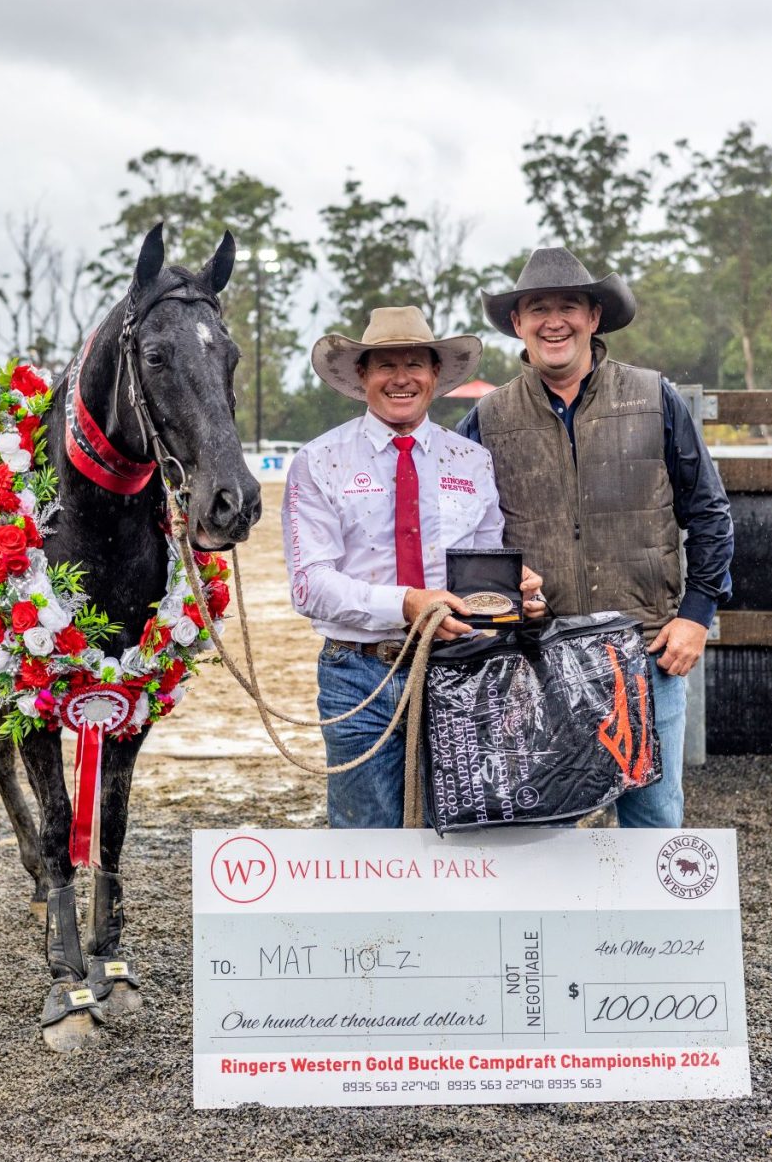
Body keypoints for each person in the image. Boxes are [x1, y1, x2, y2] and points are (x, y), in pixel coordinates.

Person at [457, 247, 734, 830]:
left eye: (568, 307)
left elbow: (709, 512)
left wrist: (696, 614)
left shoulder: (654, 397)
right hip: (535, 660)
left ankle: (653, 929)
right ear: (518, 324)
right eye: (537, 308)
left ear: (594, 317)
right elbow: (460, 532)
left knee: (653, 823)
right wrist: (504, 594)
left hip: (646, 652)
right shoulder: (488, 418)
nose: (553, 321)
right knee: (539, 831)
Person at [282, 305, 544, 829]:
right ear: (362, 376)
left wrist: (513, 598)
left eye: (415, 365)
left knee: (460, 832)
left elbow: (484, 567)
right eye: (385, 365)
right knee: (366, 842)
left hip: (458, 666)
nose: (401, 379)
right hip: (358, 674)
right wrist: (406, 602)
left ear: (435, 376)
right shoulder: (319, 461)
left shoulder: (471, 461)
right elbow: (310, 585)